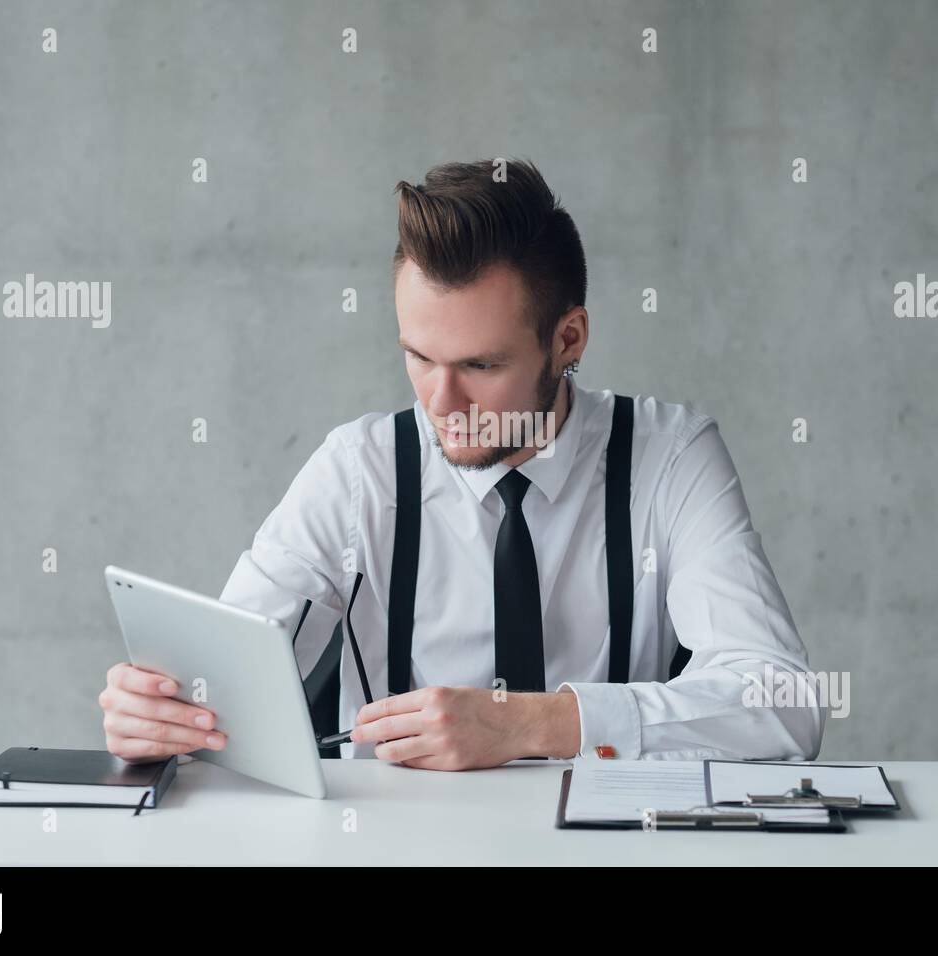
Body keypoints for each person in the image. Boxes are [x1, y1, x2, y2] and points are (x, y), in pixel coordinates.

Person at [99, 158, 824, 770]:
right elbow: (223, 673)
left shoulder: (668, 456)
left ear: (567, 339)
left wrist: (529, 724)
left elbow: (784, 703)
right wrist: (162, 713)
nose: (441, 401)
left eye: (481, 364)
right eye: (419, 357)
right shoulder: (359, 469)